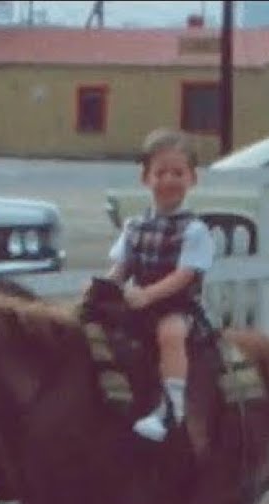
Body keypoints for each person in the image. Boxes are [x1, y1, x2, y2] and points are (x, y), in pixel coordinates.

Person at [105, 128, 216, 442]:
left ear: (192, 179)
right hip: (138, 303)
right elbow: (122, 266)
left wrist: (148, 295)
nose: (169, 180)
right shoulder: (134, 226)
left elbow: (184, 275)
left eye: (178, 173)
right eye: (161, 172)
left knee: (170, 334)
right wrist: (107, 286)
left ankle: (172, 408)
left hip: (175, 306)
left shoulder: (194, 230)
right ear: (146, 178)